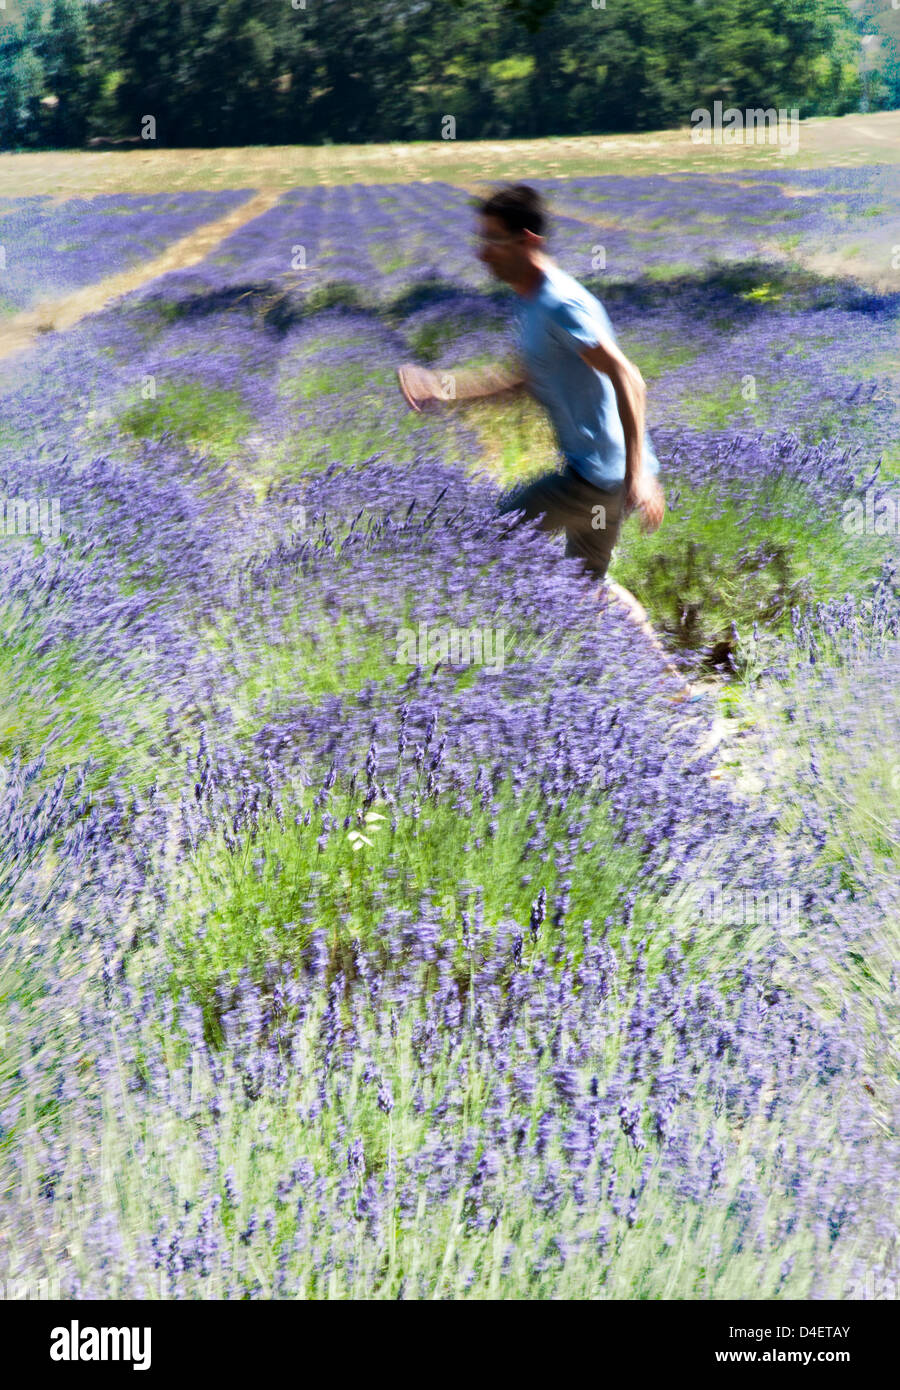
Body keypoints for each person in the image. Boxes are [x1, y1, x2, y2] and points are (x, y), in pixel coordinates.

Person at [397, 181, 687, 685]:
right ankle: (670, 686)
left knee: (489, 542)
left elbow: (628, 377)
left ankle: (459, 670)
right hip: (598, 472)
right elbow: (524, 379)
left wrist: (639, 475)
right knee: (587, 584)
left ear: (527, 241)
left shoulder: (559, 303)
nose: (481, 253)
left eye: (492, 240)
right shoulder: (530, 303)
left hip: (599, 476)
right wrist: (445, 390)